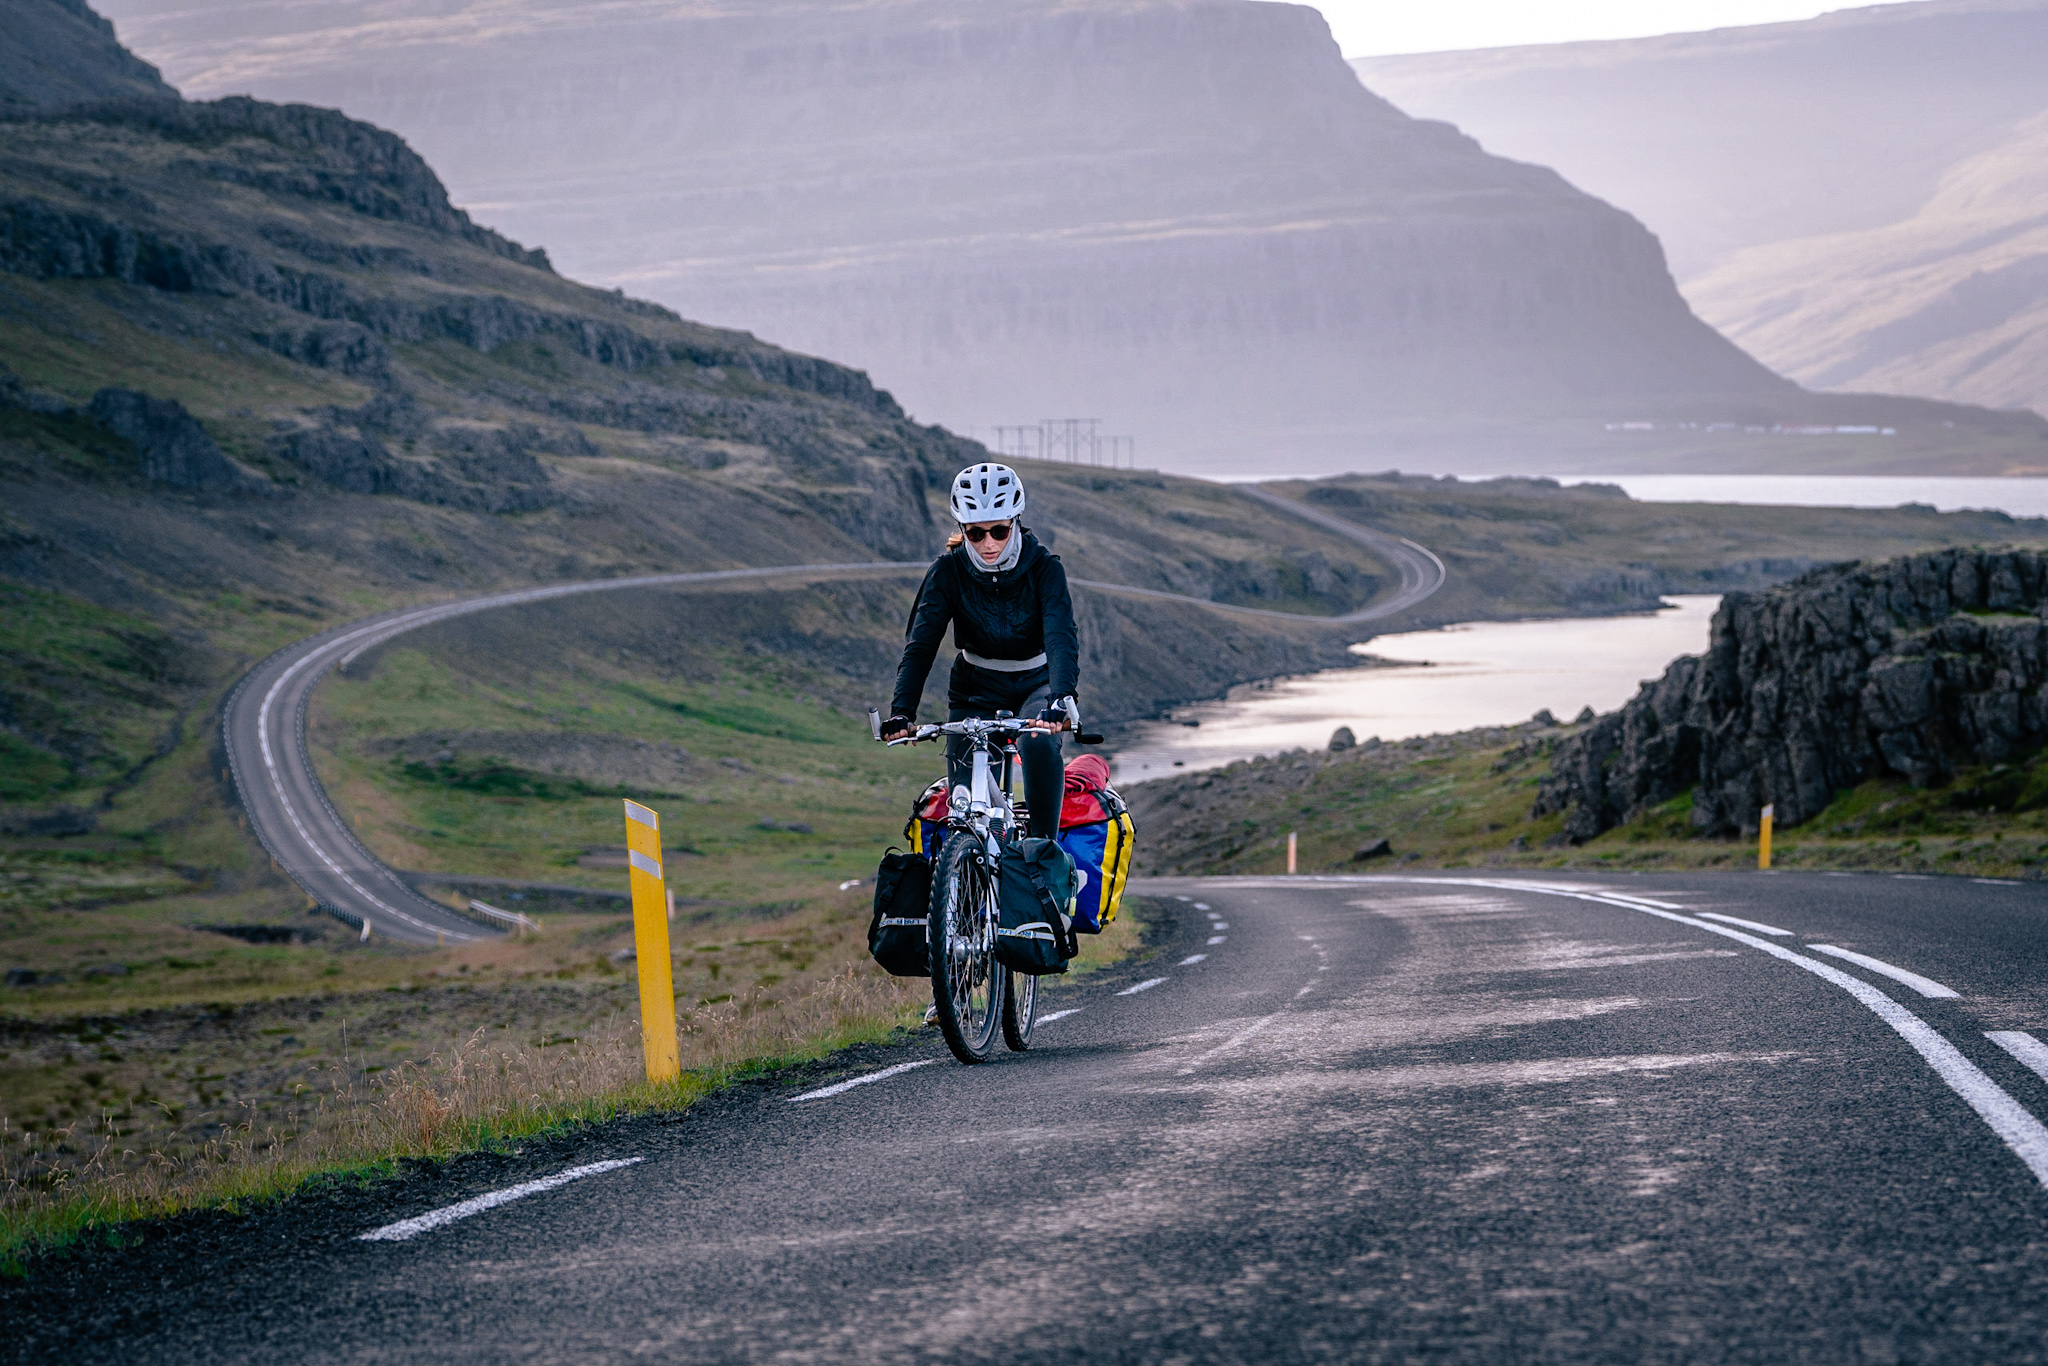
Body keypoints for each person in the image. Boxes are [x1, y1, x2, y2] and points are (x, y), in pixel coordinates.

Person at [880, 463, 1078, 839]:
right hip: (976, 686)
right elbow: (920, 646)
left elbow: (1060, 637)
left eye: (1000, 531)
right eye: (975, 533)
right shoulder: (947, 571)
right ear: (962, 530)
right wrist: (902, 712)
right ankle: (964, 882)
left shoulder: (1044, 568)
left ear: (1015, 522)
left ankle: (1043, 851)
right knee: (963, 811)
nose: (989, 543)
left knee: (1038, 748)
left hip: (1036, 681)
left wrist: (1061, 697)